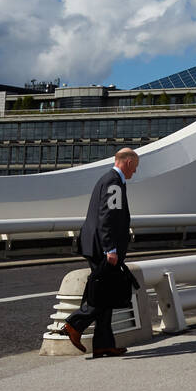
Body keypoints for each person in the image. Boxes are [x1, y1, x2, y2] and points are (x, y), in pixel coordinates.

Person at [61, 148, 139, 359]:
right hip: (102, 248)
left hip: (97, 245)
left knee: (107, 292)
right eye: (135, 167)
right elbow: (108, 217)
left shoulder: (109, 179)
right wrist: (110, 249)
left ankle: (104, 344)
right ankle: (74, 324)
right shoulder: (114, 181)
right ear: (128, 162)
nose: (135, 172)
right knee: (105, 294)